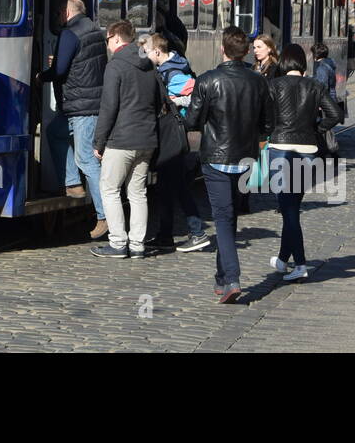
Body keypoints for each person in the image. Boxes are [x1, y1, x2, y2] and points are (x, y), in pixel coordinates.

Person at [187, 26, 273, 304]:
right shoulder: (258, 81)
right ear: (246, 51)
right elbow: (267, 124)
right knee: (230, 216)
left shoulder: (208, 80)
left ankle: (233, 278)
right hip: (245, 157)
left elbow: (193, 121)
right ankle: (222, 277)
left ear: (222, 49)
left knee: (223, 218)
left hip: (216, 158)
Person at [266, 43, 343, 282]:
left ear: (283, 62)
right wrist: (315, 129)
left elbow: (266, 118)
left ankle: (300, 264)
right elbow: (335, 115)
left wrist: (269, 131)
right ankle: (281, 259)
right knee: (292, 208)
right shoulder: (315, 86)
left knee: (289, 212)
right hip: (308, 151)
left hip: (280, 149)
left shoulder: (274, 86)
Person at [90, 21, 164, 259]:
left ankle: (118, 242)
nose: (107, 45)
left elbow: (108, 107)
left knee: (110, 189)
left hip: (121, 140)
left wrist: (99, 142)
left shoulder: (116, 66)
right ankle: (137, 244)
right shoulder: (149, 64)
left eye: (108, 40)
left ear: (116, 38)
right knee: (138, 192)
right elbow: (160, 99)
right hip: (146, 139)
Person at [37, 0, 108, 239]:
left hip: (80, 106)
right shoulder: (95, 31)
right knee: (55, 132)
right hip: (88, 102)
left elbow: (59, 71)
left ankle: (104, 216)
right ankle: (73, 185)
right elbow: (83, 63)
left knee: (87, 160)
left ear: (67, 12)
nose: (58, 17)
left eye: (59, 12)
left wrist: (40, 76)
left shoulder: (70, 34)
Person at [142, 32, 207, 252]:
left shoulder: (173, 72)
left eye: (147, 51)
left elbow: (194, 92)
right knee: (166, 187)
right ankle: (165, 234)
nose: (145, 55)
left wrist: (170, 101)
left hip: (173, 134)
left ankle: (197, 232)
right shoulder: (171, 67)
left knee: (177, 186)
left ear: (157, 52)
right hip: (171, 134)